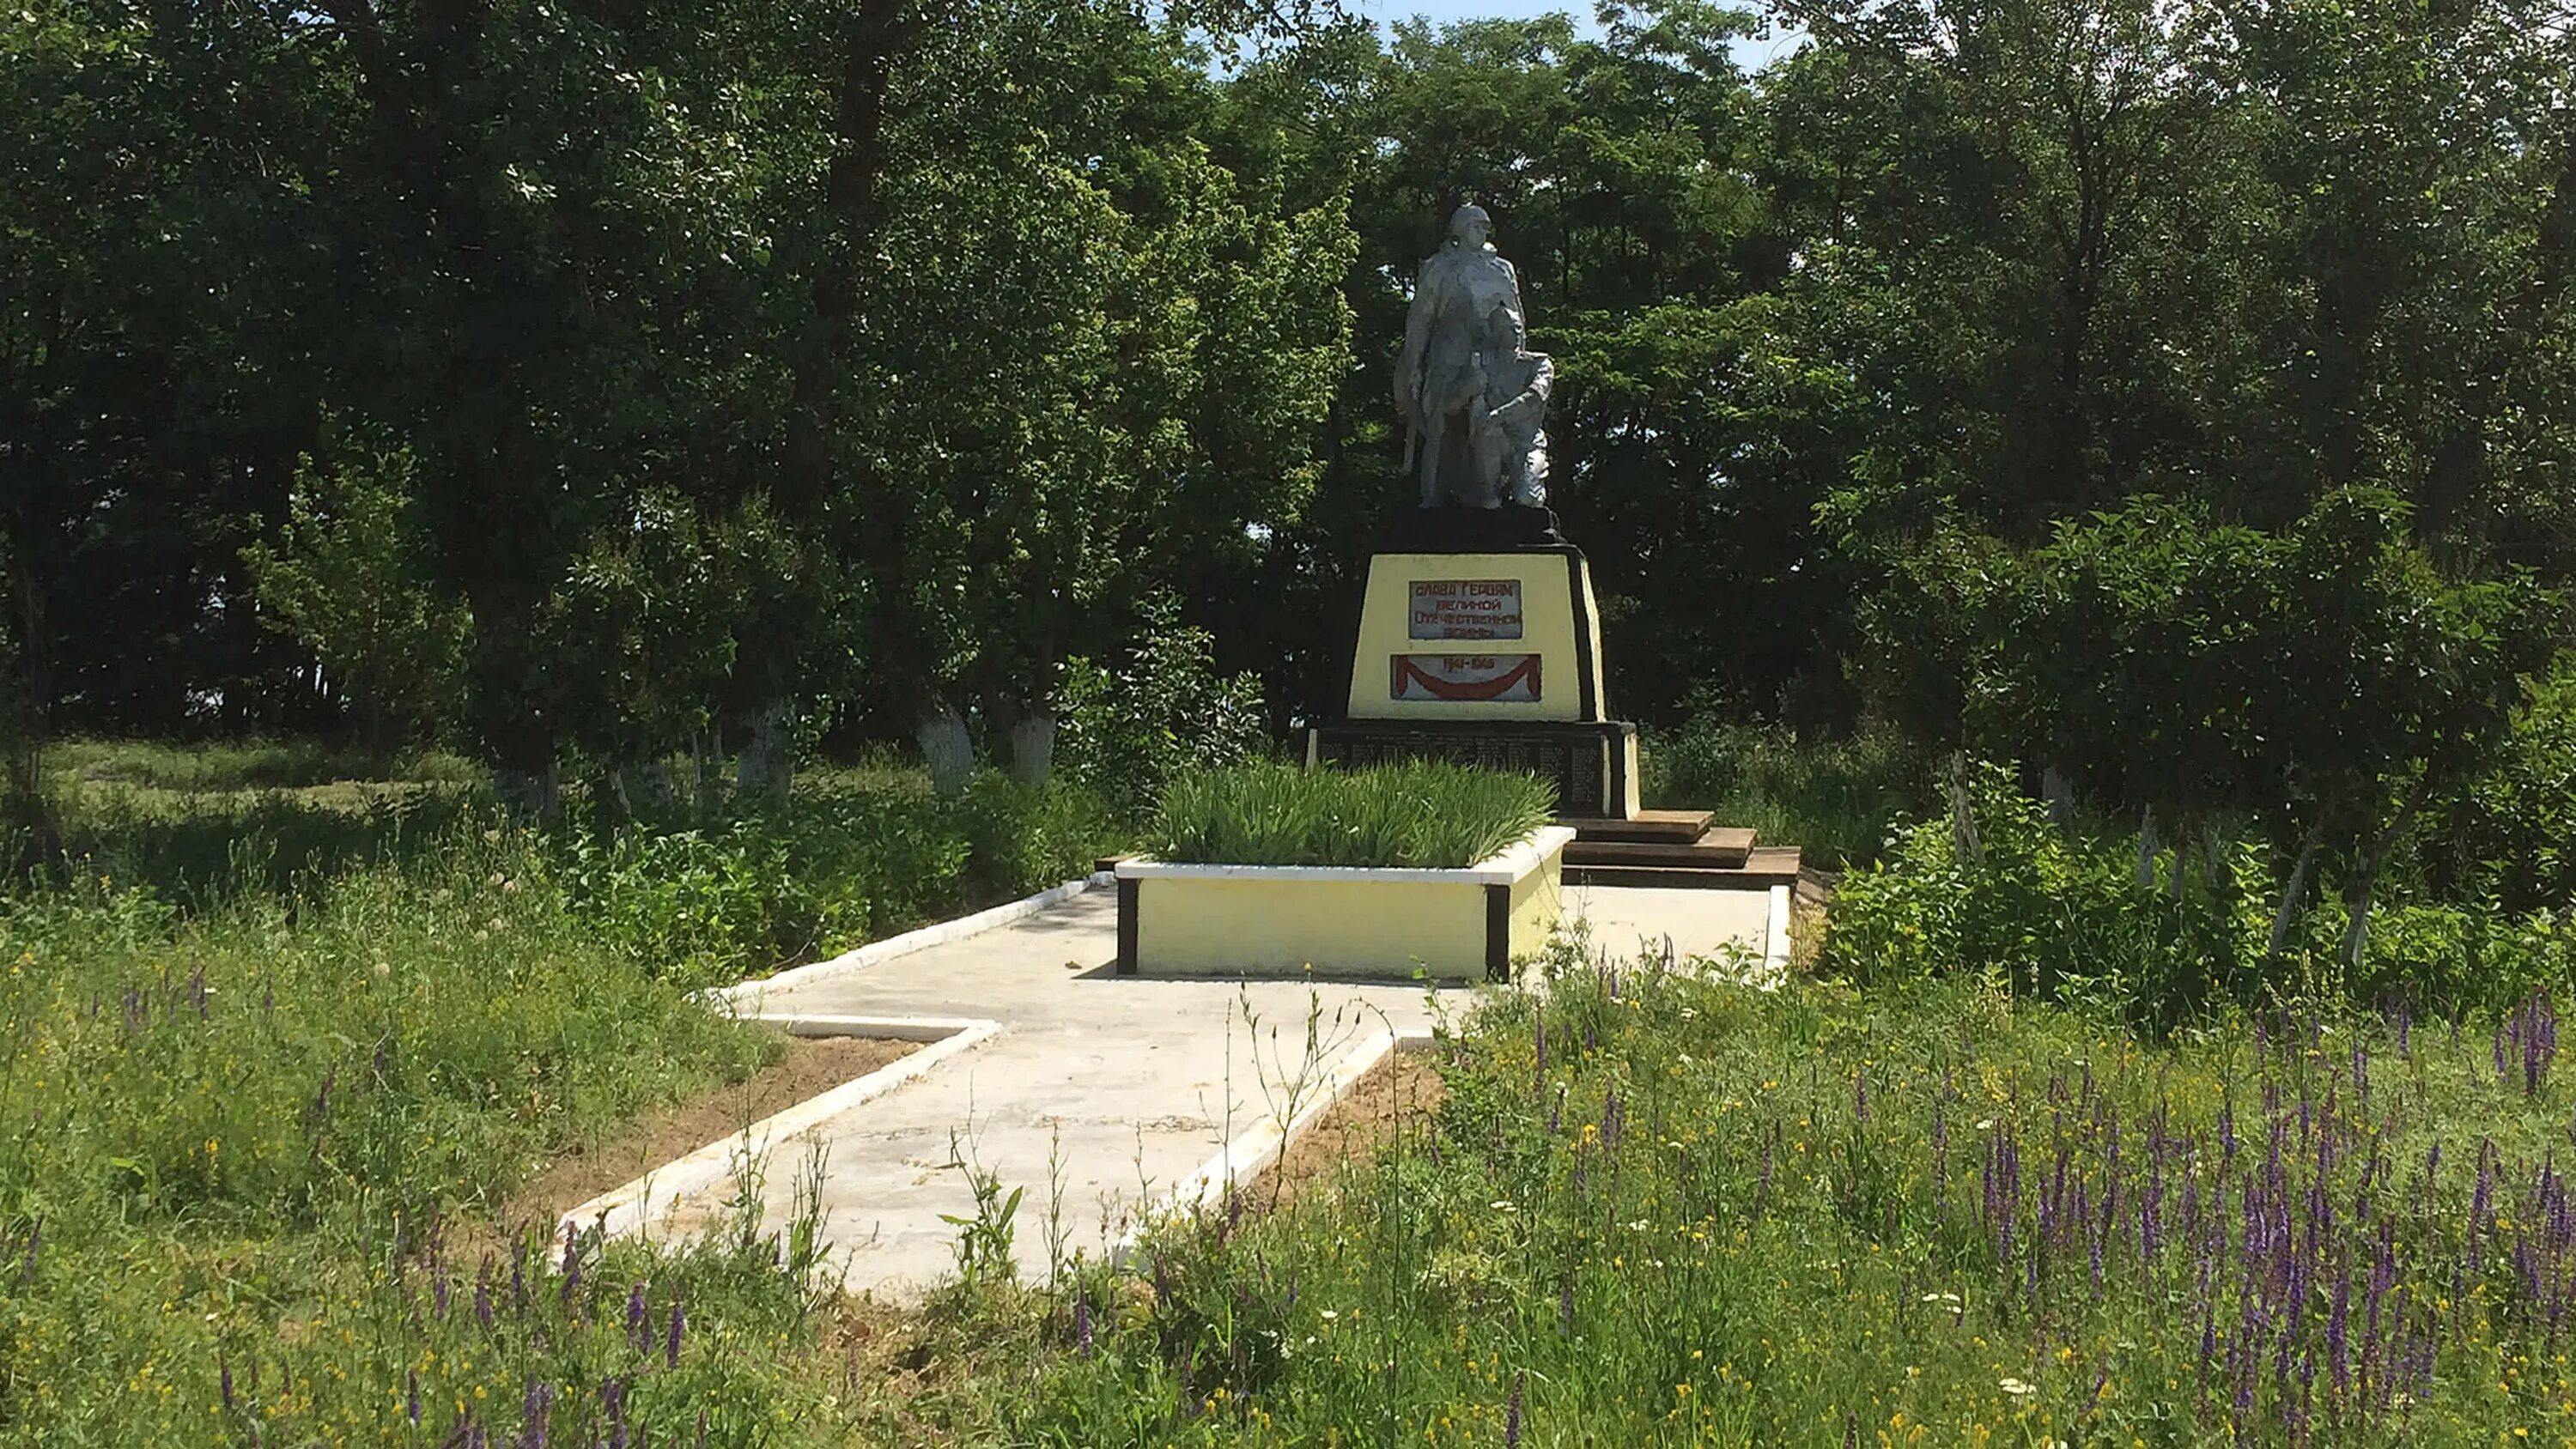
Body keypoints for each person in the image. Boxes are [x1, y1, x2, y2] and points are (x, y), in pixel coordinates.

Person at [1395, 204, 1526, 507]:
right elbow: (1421, 319)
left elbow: (1515, 316)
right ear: (1460, 229)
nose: (1482, 233)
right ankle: (1432, 495)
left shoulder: (1500, 268)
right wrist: (1413, 362)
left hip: (1491, 352)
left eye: (1485, 228)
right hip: (1448, 352)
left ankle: (1486, 491)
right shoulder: (1440, 267)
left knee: (1486, 423)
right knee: (1439, 422)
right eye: (1476, 227)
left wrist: (1516, 359)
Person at [1473, 304, 1553, 507]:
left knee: (1528, 501)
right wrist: (1475, 375)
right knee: (1488, 430)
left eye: (1518, 327)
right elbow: (1463, 399)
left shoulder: (1538, 364)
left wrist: (1499, 414)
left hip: (1527, 443)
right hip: (1496, 439)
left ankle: (1525, 485)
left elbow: (1534, 398)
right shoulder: (1483, 364)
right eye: (1509, 328)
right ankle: (1488, 491)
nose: (1516, 332)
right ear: (1496, 333)